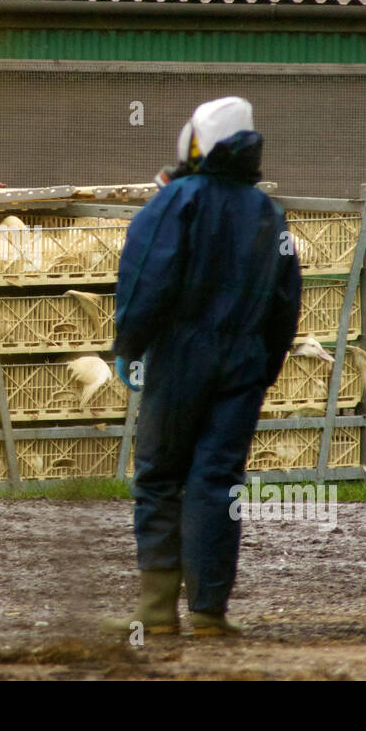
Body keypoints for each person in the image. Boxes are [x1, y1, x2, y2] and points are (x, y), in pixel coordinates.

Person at [104, 96, 302, 637]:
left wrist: (129, 344)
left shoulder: (178, 201)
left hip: (179, 356)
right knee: (219, 481)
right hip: (243, 361)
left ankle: (157, 610)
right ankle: (210, 613)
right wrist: (265, 366)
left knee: (160, 475)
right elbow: (287, 302)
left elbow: (148, 275)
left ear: (196, 142)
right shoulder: (269, 212)